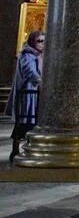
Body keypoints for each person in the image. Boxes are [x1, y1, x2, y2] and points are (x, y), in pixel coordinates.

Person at [7, 30, 43, 162]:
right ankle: (16, 148)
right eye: (39, 41)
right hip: (27, 92)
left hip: (36, 92)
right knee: (24, 120)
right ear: (32, 41)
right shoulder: (26, 55)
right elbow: (30, 72)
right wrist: (41, 82)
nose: (42, 44)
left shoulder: (39, 55)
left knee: (32, 120)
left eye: (44, 41)